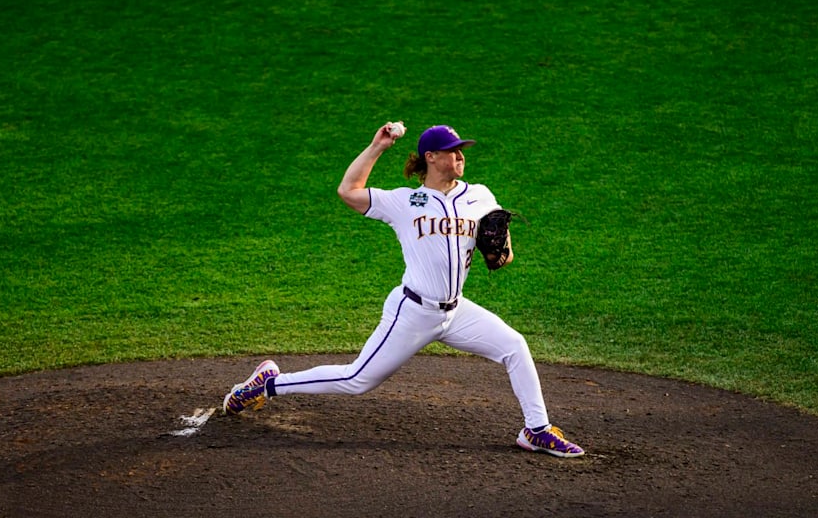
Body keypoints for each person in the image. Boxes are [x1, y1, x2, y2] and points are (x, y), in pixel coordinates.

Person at [222, 123, 584, 458]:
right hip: (412, 312)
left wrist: (501, 251)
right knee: (356, 380)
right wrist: (377, 147)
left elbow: (502, 253)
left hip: (455, 312)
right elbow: (348, 191)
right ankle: (266, 384)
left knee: (514, 345)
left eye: (461, 150)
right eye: (452, 151)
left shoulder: (480, 195)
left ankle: (536, 430)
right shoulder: (403, 202)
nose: (460, 156)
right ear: (431, 157)